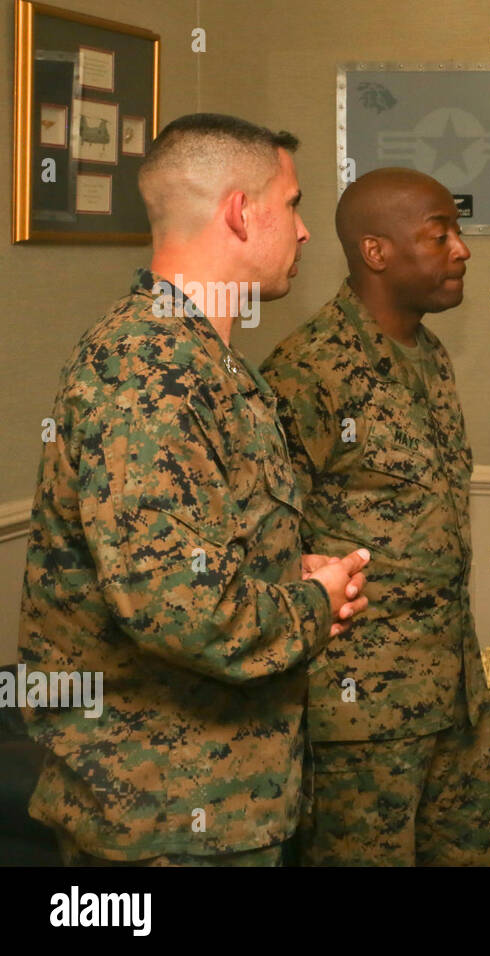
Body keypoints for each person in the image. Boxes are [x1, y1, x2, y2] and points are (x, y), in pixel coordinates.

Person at [18, 113, 370, 866]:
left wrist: (284, 575)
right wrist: (313, 604)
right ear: (242, 213)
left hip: (222, 800)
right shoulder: (149, 370)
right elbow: (175, 603)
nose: (305, 231)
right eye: (294, 202)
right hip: (159, 818)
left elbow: (203, 548)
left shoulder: (202, 360)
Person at [261, 167, 490, 866]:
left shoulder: (428, 356)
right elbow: (268, 544)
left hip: (452, 695)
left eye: (457, 233)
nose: (462, 250)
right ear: (377, 252)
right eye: (440, 235)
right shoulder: (308, 372)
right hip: (360, 721)